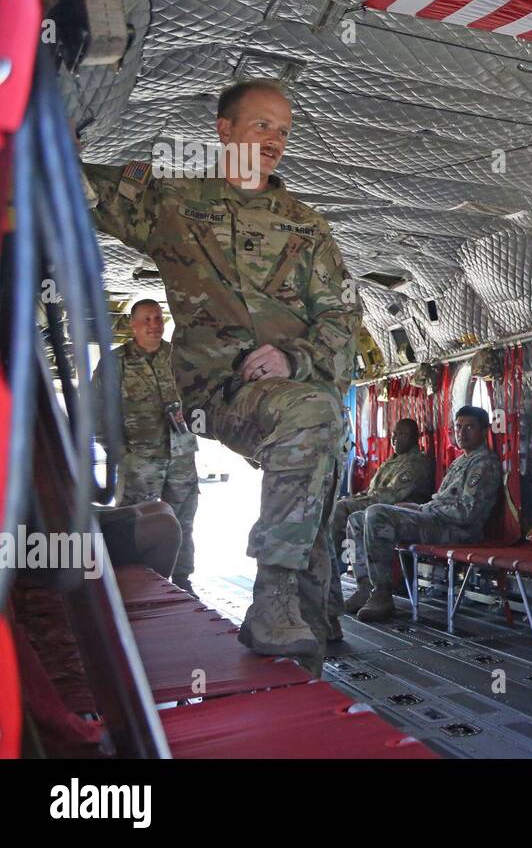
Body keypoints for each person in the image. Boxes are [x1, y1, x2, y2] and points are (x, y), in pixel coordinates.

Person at [80, 79, 361, 666]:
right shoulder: (175, 203)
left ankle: (310, 618)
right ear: (224, 131)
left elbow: (339, 315)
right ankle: (273, 599)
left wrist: (296, 358)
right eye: (262, 125)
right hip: (219, 390)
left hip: (295, 390)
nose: (275, 140)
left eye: (284, 130)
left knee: (319, 455)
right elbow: (72, 184)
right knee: (314, 416)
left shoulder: (306, 226)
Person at [345, 406, 502, 622]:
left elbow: (467, 513)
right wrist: (418, 508)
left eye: (469, 427)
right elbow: (442, 500)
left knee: (377, 514)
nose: (462, 432)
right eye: (458, 427)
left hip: (456, 530)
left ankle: (382, 594)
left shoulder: (484, 464)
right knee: (356, 519)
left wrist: (422, 509)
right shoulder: (460, 462)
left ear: (484, 431)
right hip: (437, 520)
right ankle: (365, 587)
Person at [91, 298, 201, 592]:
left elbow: (200, 398)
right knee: (133, 526)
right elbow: (97, 413)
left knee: (182, 523)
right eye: (146, 319)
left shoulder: (180, 358)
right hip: (139, 463)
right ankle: (132, 585)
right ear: (133, 325)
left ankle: (180, 582)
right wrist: (120, 454)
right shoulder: (115, 363)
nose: (153, 325)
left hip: (181, 457)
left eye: (157, 318)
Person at [326, 417, 435, 634]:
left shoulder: (417, 463)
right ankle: (363, 586)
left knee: (344, 510)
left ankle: (334, 581)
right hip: (380, 512)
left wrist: (351, 502)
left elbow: (389, 497)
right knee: (354, 516)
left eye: (402, 434)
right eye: (394, 433)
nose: (395, 438)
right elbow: (371, 492)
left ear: (415, 438)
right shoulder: (391, 462)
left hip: (404, 517)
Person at [95, 501, 183, 580]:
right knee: (168, 528)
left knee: (162, 507)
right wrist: (110, 515)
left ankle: (150, 585)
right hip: (84, 539)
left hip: (88, 518)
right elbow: (104, 496)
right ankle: (150, 593)